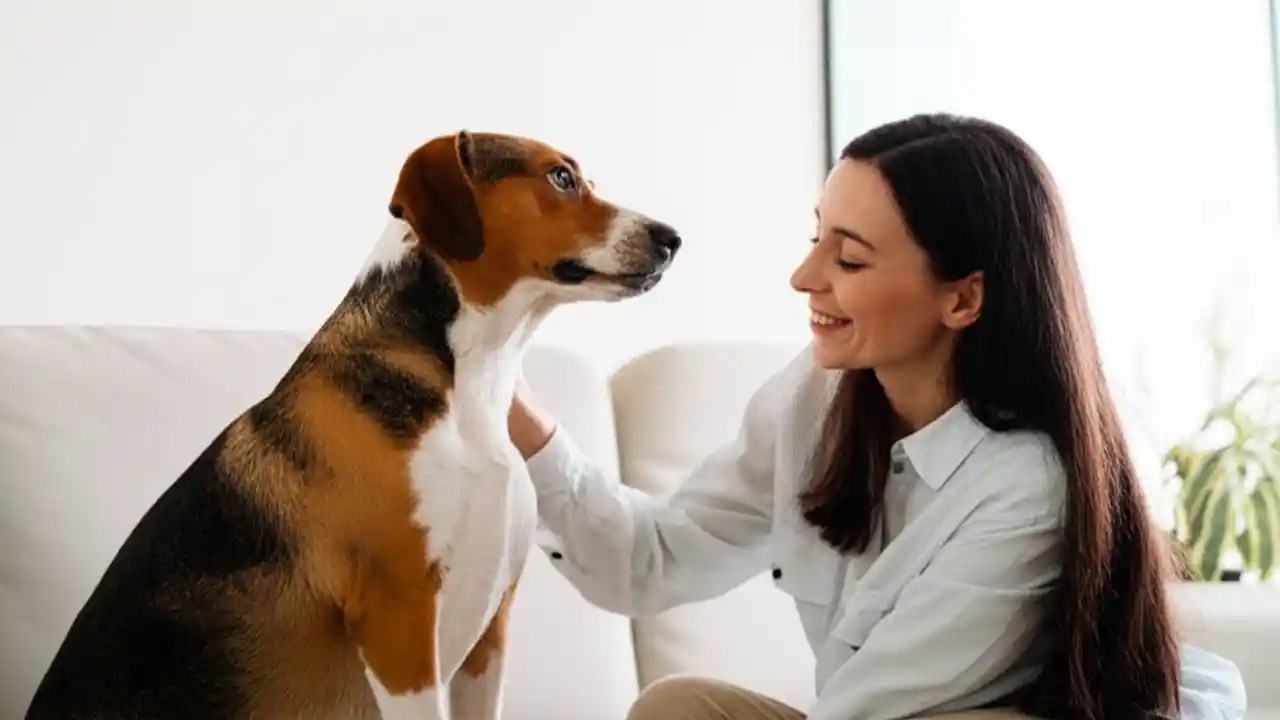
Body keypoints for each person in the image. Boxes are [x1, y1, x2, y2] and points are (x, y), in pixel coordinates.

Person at [506, 114, 1248, 719]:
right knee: (680, 708)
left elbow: (863, 712)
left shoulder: (1026, 489)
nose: (804, 278)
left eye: (850, 260)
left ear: (963, 299)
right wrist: (503, 393)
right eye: (815, 237)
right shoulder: (820, 397)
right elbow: (649, 561)